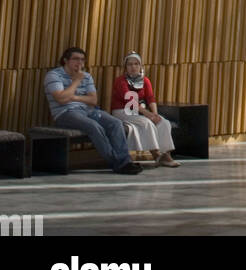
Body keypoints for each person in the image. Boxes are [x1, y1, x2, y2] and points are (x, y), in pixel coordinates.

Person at [44, 47, 142, 175]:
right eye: (75, 59)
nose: (79, 63)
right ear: (65, 60)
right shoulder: (54, 75)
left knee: (116, 123)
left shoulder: (87, 76)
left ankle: (124, 161)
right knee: (94, 126)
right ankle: (120, 163)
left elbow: (93, 100)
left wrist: (73, 97)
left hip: (89, 111)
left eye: (82, 60)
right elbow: (61, 99)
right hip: (66, 113)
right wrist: (77, 81)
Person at [111, 53, 178, 166]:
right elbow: (130, 101)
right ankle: (156, 155)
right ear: (125, 67)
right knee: (147, 122)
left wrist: (155, 114)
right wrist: (148, 115)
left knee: (163, 122)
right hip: (123, 111)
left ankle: (166, 154)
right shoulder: (120, 81)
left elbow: (150, 98)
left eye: (136, 64)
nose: (133, 67)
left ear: (140, 66)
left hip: (140, 111)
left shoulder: (145, 80)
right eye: (130, 64)